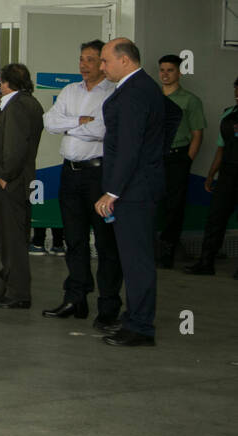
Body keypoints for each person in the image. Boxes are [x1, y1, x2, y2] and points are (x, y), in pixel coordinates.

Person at [95, 38, 171, 347]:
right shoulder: (142, 88)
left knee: (137, 260)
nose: (102, 67)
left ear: (125, 60)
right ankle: (133, 319)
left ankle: (140, 326)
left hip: (133, 191)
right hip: (139, 185)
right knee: (130, 258)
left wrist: (112, 192)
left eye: (104, 61)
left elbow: (129, 147)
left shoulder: (135, 92)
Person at [40, 39, 121, 328]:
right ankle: (76, 298)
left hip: (98, 176)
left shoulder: (112, 93)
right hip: (69, 174)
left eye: (90, 59)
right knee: (74, 240)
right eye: (81, 59)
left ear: (102, 63)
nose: (83, 65)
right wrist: (80, 121)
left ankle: (109, 305)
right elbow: (49, 122)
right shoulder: (70, 90)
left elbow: (103, 130)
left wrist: (71, 125)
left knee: (105, 241)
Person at [0, 63, 45, 309]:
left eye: (1, 83)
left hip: (11, 183)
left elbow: (15, 147)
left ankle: (17, 293)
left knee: (13, 240)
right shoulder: (28, 104)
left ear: (6, 83)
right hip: (19, 181)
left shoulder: (17, 107)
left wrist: (4, 176)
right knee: (10, 238)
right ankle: (5, 287)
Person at [184, 76, 238, 277]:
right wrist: (210, 174)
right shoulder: (228, 115)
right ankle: (206, 262)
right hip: (227, 174)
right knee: (215, 218)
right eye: (236, 90)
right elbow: (221, 148)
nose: (237, 94)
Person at [157, 54, 205, 269]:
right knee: (151, 203)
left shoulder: (190, 100)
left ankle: (168, 250)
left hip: (178, 157)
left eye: (170, 70)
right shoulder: (152, 97)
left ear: (179, 72)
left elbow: (197, 133)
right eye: (162, 70)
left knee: (174, 207)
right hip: (155, 157)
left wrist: (187, 161)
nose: (165, 74)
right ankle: (150, 248)